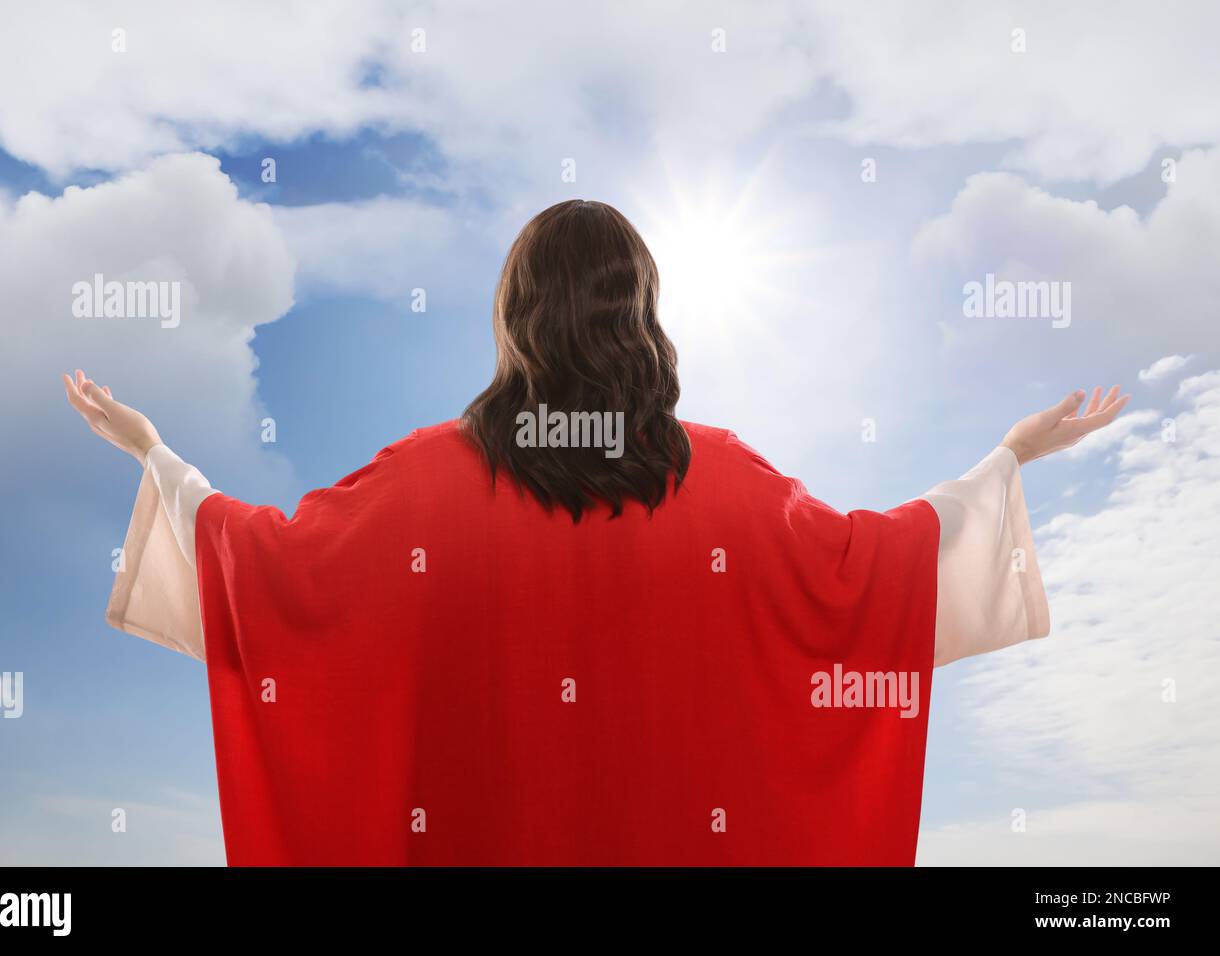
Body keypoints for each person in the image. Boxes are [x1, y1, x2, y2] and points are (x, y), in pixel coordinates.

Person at [64, 199, 1129, 865]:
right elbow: (873, 566)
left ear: (514, 314)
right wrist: (1005, 463)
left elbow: (271, 568)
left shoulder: (417, 485)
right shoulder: (729, 484)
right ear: (641, 311)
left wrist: (161, 458)